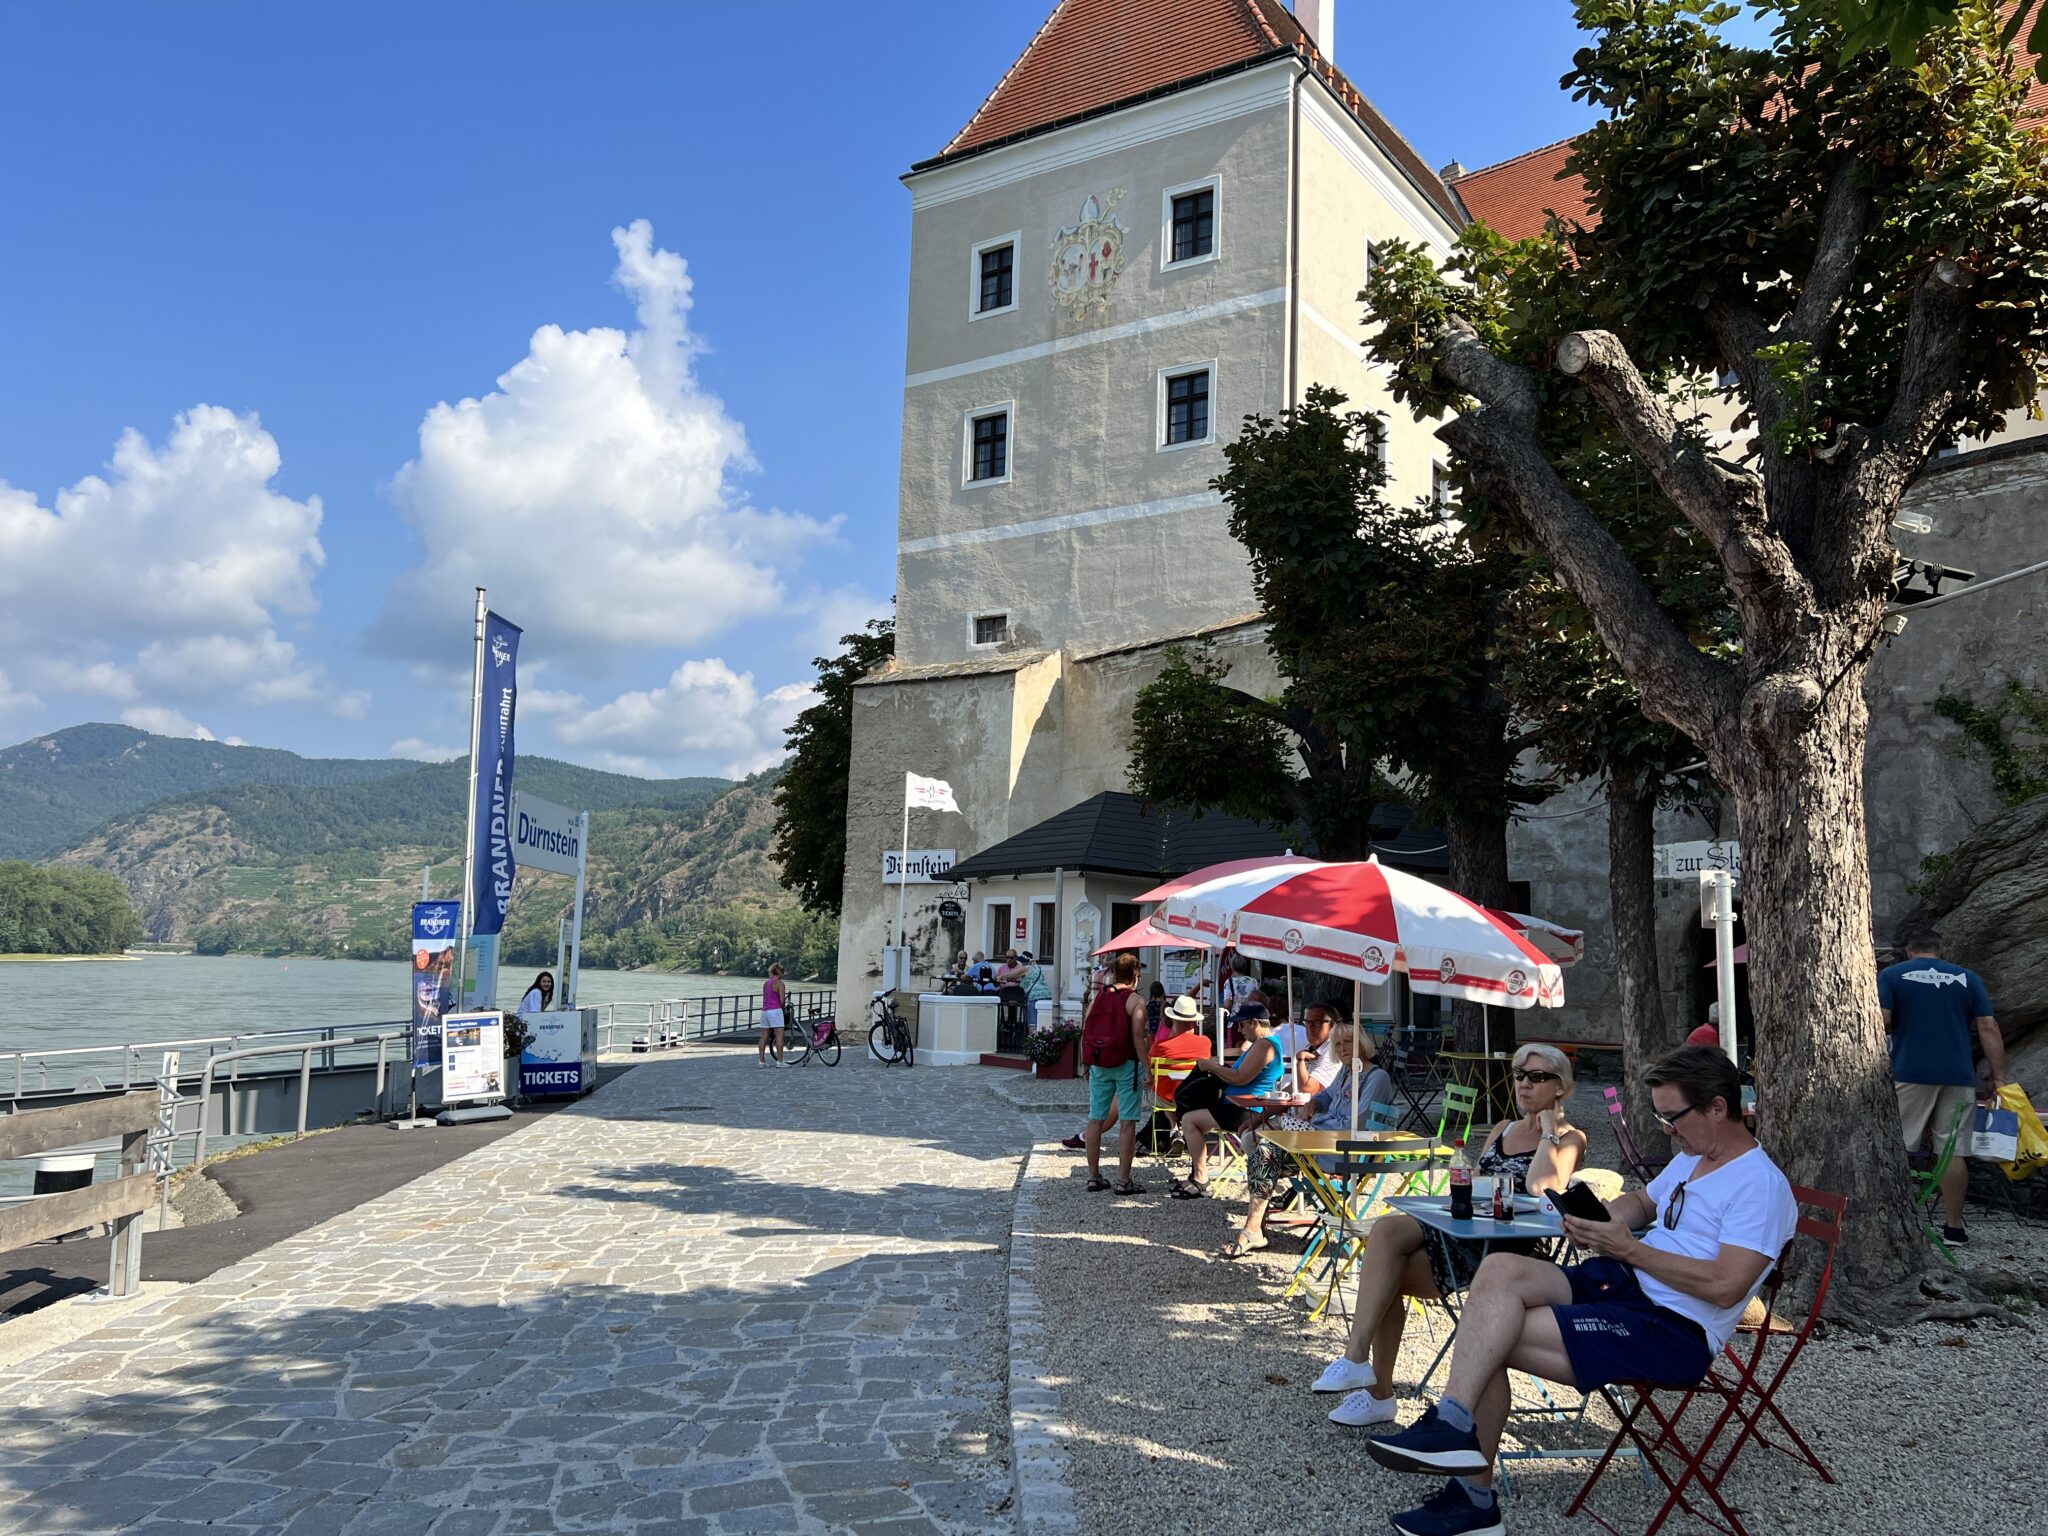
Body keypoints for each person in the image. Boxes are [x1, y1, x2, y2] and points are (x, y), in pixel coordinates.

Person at [1366, 1046, 1797, 1536]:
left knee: (1488, 1333)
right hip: (1623, 1285)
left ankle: (1471, 1498)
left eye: (1673, 1117)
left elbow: (1725, 1287)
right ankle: (1454, 1423)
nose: (1666, 1129)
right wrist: (1598, 1224)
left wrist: (1630, 1251)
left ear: (1718, 1107)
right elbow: (1641, 1201)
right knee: (1501, 1272)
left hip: (1671, 1329)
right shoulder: (1695, 1157)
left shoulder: (1760, 1186)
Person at [1317, 1043, 1587, 1430]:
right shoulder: (1502, 1128)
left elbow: (1543, 1184)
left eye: (1537, 1077)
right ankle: (1360, 1365)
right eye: (1519, 1075)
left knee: (1386, 1270)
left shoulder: (1570, 1137)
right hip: (1467, 1234)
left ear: (1560, 1087)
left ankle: (1373, 1386)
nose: (1524, 1084)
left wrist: (1548, 1131)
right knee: (1386, 1233)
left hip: (1512, 1256)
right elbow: (1474, 1180)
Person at [1882, 925, 2006, 1245]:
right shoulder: (1968, 978)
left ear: (1909, 951)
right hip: (1958, 1076)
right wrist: (1999, 1077)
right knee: (1952, 1149)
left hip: (1910, 1072)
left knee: (1897, 1147)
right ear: (1942, 951)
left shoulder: (1893, 976)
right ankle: (1954, 1227)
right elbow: (1988, 1027)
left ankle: (1896, 1222)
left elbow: (1881, 1021)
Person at [1222, 1013, 1364, 1258]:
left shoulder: (1373, 1077)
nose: (1342, 1049)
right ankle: (1255, 1226)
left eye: (1348, 1043)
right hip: (1320, 1140)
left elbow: (1357, 1122)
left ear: (1362, 1044)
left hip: (1339, 1151)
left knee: (1261, 1144)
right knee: (1263, 1148)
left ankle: (1256, 1225)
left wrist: (1317, 1117)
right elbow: (1323, 1096)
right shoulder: (1347, 1073)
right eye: (1339, 1044)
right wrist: (1316, 1106)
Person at [1170, 1002, 1285, 1199]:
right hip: (1240, 1104)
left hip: (1246, 1109)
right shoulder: (1263, 1044)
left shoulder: (1265, 1044)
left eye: (1241, 1025)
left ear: (1255, 1022)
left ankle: (1201, 1179)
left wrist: (1211, 1067)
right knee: (1191, 1114)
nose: (1239, 1031)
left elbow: (1241, 1077)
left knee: (1190, 1119)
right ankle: (1197, 1175)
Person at [1079, 951, 1150, 1195]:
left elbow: (1086, 1028)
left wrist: (1085, 1062)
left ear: (1114, 973)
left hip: (1099, 1063)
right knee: (1127, 1122)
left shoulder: (1100, 996)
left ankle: (1093, 1176)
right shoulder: (1135, 1001)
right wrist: (1147, 1069)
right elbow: (1138, 1037)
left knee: (1095, 1118)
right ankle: (1123, 1180)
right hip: (1127, 1064)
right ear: (1135, 976)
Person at [757, 964, 789, 1067]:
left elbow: (765, 998)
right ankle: (780, 1061)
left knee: (764, 1036)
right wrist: (784, 1010)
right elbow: (782, 1000)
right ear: (780, 972)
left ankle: (761, 1061)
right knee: (779, 1036)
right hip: (775, 1011)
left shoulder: (766, 983)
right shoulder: (780, 984)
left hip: (764, 1011)